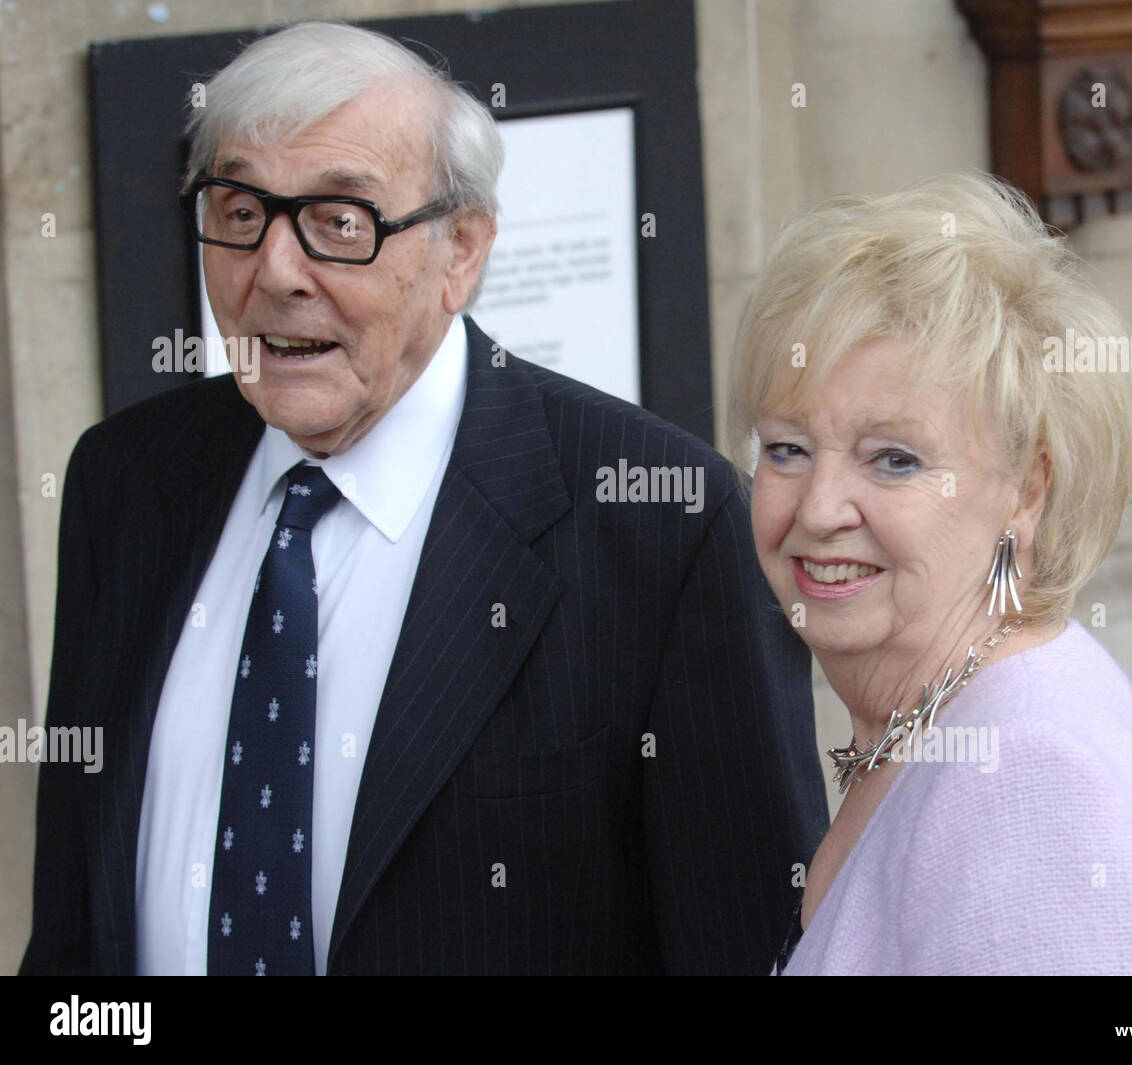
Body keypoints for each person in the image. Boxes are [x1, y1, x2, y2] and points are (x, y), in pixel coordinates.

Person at [21, 20, 827, 976]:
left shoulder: (662, 523)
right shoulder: (126, 482)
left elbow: (748, 948)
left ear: (463, 252)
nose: (274, 272)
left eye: (339, 221)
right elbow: (75, 929)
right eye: (239, 211)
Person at [729, 172, 1132, 975]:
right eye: (787, 448)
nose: (820, 507)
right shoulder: (952, 719)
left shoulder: (1029, 779)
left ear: (1027, 489)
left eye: (893, 459)